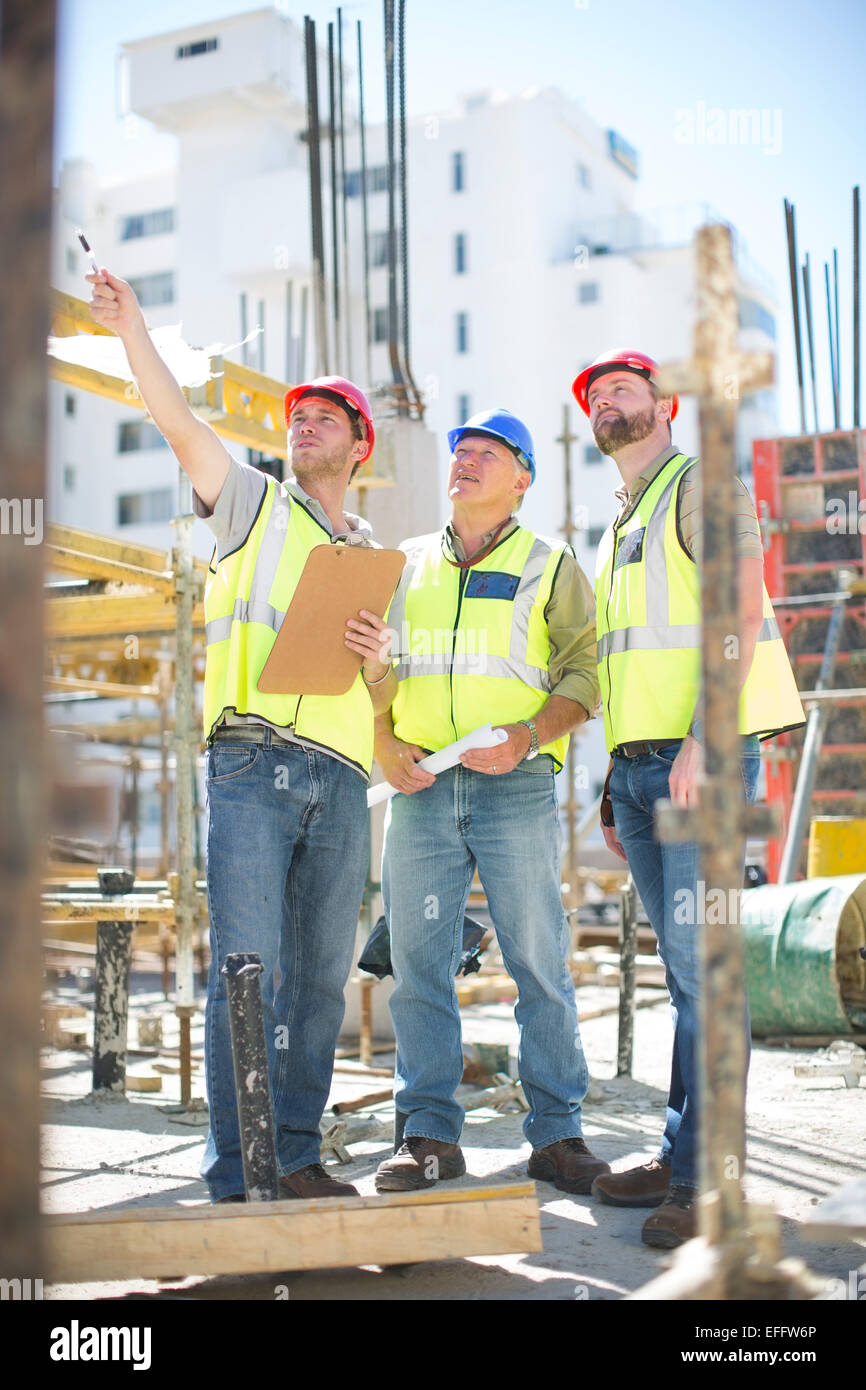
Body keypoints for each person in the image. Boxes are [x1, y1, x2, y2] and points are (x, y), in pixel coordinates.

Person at [88, 266, 396, 1202]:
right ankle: (239, 1171)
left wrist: (381, 661)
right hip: (252, 766)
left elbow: (384, 693)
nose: (303, 425)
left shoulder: (374, 549)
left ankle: (295, 1157)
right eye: (297, 416)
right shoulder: (252, 502)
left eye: (325, 417)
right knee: (246, 974)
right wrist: (133, 325)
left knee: (315, 988)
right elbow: (177, 420)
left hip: (343, 781)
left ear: (359, 446)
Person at [572, 349, 805, 1247]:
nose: (605, 404)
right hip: (641, 769)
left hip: (699, 755)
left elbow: (739, 602)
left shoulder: (699, 480)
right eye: (596, 397)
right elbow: (631, 661)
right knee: (684, 970)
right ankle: (683, 1153)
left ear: (664, 408)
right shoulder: (618, 525)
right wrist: (612, 778)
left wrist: (708, 734)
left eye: (622, 390)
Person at [371, 408, 610, 1195]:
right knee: (417, 968)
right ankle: (428, 1135)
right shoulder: (402, 563)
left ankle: (556, 1136)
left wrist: (530, 733)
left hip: (516, 785)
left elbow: (586, 676)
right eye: (459, 451)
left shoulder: (551, 564)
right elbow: (374, 667)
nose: (465, 461)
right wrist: (382, 737)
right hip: (422, 789)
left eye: (486, 453)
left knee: (538, 960)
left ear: (522, 478)